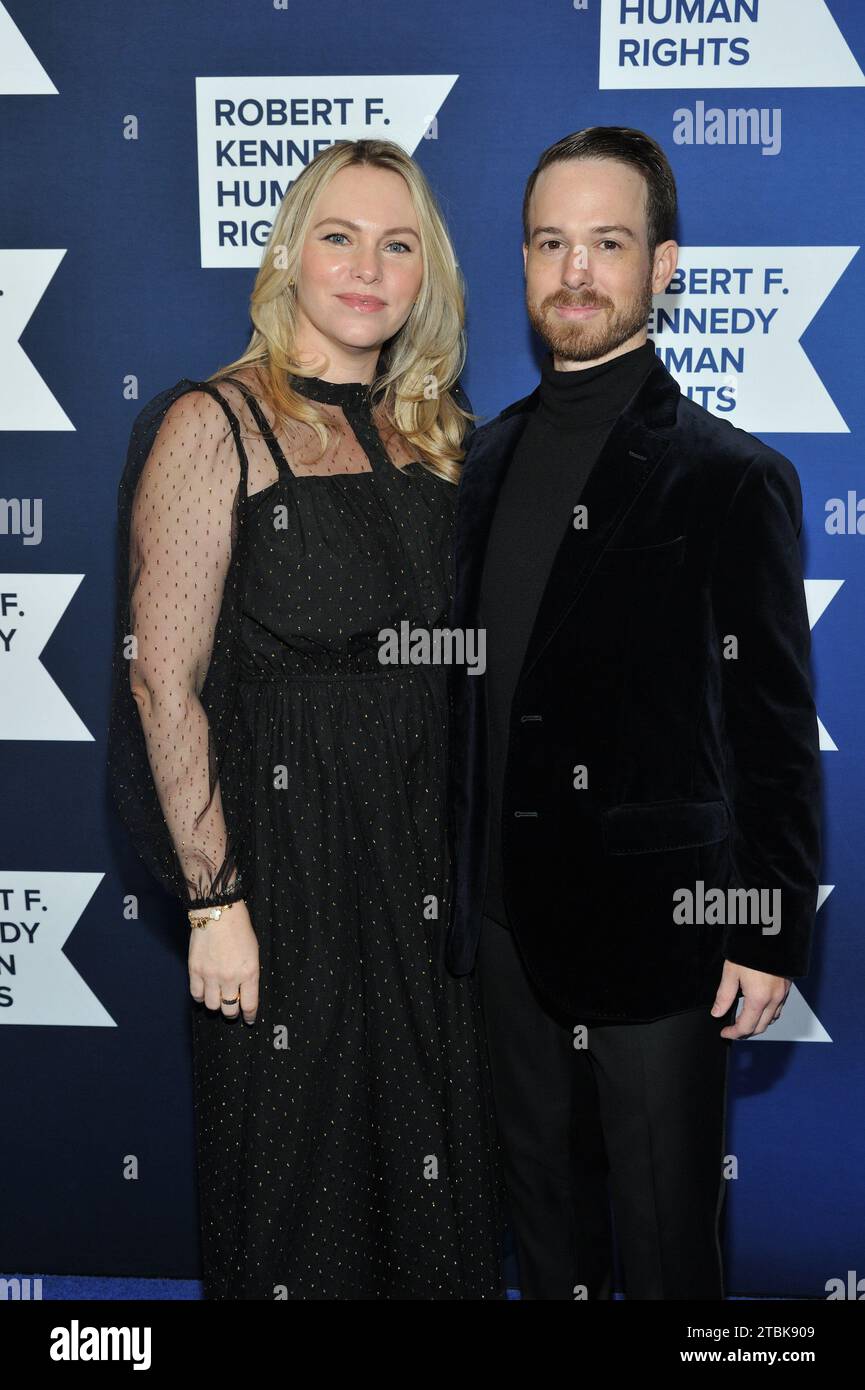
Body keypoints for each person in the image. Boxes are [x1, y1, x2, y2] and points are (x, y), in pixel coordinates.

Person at [107, 137, 505, 1300]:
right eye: (338, 235)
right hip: (285, 874)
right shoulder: (211, 424)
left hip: (427, 872)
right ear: (288, 250)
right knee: (295, 1198)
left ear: (425, 272)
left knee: (439, 1193)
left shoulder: (440, 435)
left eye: (398, 245)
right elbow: (159, 681)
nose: (367, 268)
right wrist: (214, 898)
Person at [445, 127, 822, 1299]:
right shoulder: (478, 461)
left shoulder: (728, 476)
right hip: (501, 933)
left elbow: (771, 721)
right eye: (551, 243)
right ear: (520, 262)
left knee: (665, 1250)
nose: (574, 271)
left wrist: (763, 921)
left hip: (660, 939)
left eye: (606, 243)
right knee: (545, 1236)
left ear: (662, 264)